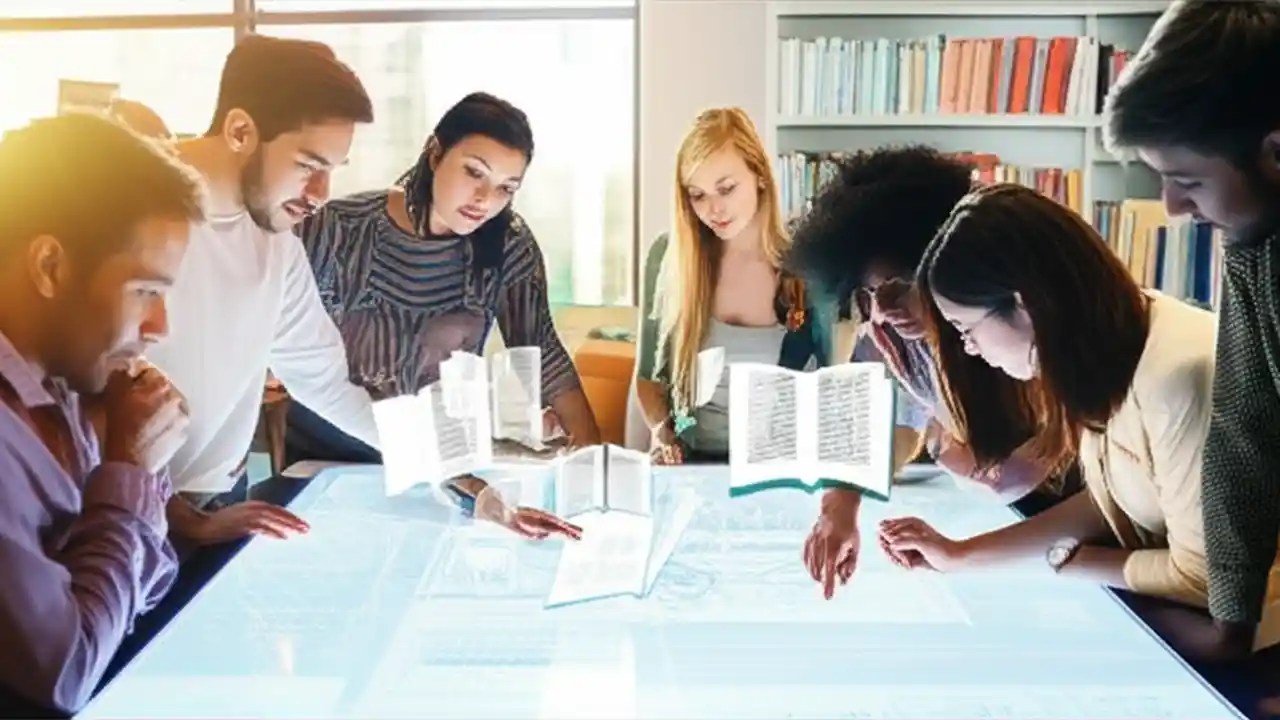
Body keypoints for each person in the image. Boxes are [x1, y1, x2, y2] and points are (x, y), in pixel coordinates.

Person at [878, 183, 1280, 661]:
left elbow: (1208, 580)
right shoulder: (1115, 341)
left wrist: (1075, 563)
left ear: (1023, 305)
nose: (969, 348)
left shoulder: (1180, 379)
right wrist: (961, 554)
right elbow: (1115, 501)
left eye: (967, 329)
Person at [287, 91, 594, 540]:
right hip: (336, 458)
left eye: (507, 187)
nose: (485, 199)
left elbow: (542, 350)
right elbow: (285, 345)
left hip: (446, 469)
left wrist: (591, 463)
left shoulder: (508, 244)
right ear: (435, 154)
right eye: (474, 172)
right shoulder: (335, 230)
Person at [785, 146, 1062, 599]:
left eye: (901, 285)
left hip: (1064, 533)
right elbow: (864, 414)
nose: (884, 309)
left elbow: (1043, 488)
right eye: (869, 292)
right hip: (1011, 544)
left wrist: (959, 548)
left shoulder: (1016, 335)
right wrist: (838, 507)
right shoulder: (888, 331)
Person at [0, 114, 202, 713]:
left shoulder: (61, 390)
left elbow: (150, 584)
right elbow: (66, 673)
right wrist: (130, 469)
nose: (160, 327)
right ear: (50, 267)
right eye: (145, 291)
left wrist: (133, 467)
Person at [1102, 0, 1280, 661]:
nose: (1172, 208)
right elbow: (1244, 429)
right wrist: (1230, 624)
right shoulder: (1249, 240)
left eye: (1185, 180)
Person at [634, 107, 830, 464]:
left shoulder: (805, 267)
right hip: (694, 464)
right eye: (698, 195)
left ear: (760, 175)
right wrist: (664, 434)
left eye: (726, 188)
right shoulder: (669, 257)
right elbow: (648, 378)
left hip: (782, 467)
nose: (714, 209)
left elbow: (833, 381)